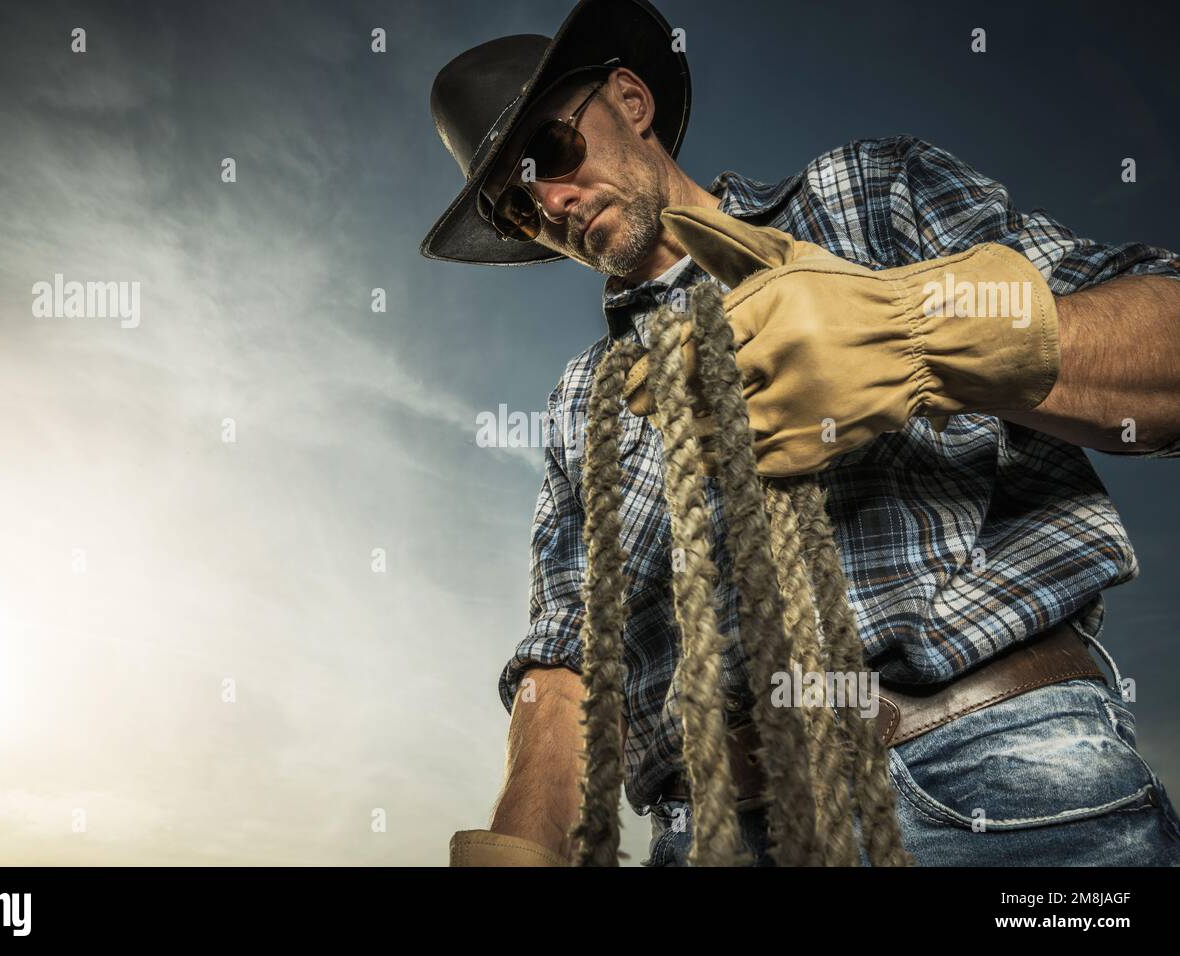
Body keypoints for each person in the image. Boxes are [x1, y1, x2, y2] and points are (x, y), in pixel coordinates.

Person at [423, 0, 1180, 867]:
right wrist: (525, 841)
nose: (551, 203)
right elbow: (564, 659)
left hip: (1001, 783)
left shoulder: (866, 194)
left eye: (550, 153)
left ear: (630, 101)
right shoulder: (580, 403)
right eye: (517, 209)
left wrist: (915, 333)